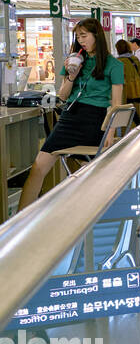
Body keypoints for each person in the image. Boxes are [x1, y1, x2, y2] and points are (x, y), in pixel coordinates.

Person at [18, 18, 125, 210]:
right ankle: (21, 217)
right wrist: (71, 76)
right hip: (70, 116)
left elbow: (117, 104)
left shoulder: (114, 65)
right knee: (38, 167)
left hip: (95, 119)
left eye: (84, 36)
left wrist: (110, 132)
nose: (81, 40)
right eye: (78, 36)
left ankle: (92, 212)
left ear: (97, 36)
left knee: (89, 171)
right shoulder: (74, 60)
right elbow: (62, 95)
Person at [115, 39, 140, 125]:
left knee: (126, 106)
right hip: (136, 87)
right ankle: (138, 123)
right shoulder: (134, 58)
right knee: (133, 106)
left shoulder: (118, 61)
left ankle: (129, 126)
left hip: (126, 89)